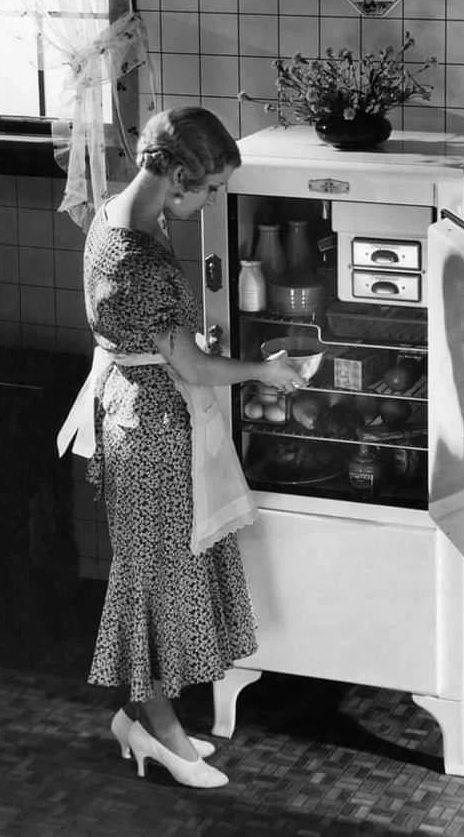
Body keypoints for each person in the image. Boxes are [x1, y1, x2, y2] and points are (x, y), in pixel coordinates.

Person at [58, 107, 304, 789]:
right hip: (152, 428)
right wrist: (263, 370)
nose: (214, 199)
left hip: (126, 407)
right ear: (174, 176)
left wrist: (188, 351)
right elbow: (190, 368)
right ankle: (160, 733)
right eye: (211, 187)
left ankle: (141, 718)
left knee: (154, 568)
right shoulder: (146, 260)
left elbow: (162, 346)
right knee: (153, 580)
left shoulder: (114, 216)